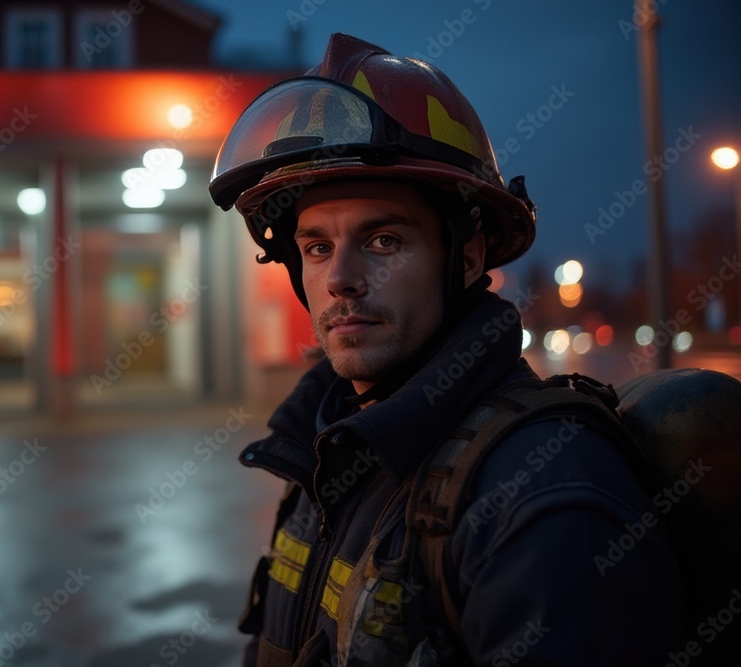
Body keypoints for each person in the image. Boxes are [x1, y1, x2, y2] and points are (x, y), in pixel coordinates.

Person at [208, 33, 683, 666]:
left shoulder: (543, 491)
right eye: (317, 247)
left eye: (382, 241)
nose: (340, 278)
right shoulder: (317, 449)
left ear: (467, 257)